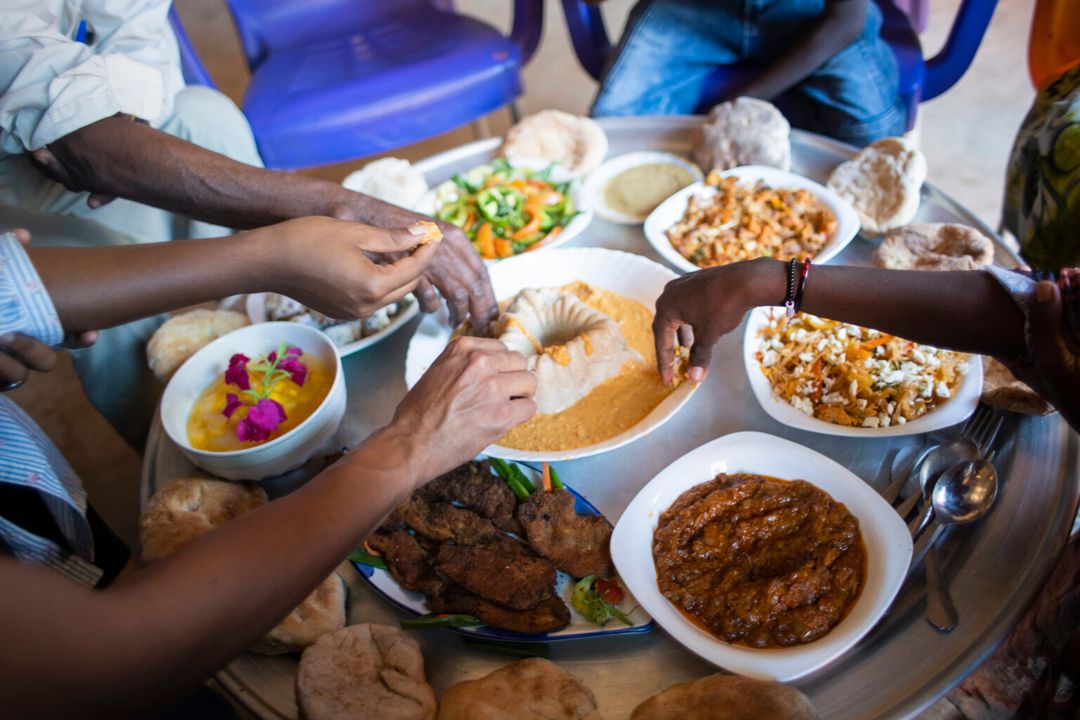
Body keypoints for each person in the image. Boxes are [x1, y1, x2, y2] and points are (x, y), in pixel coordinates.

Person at [0, 223, 537, 717]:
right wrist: (409, 444)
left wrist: (277, 252)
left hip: (55, 527)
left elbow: (18, 286)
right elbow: (114, 660)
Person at [0, 0, 497, 437]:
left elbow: (136, 40)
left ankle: (243, 314)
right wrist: (333, 212)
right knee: (103, 293)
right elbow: (71, 128)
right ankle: (176, 439)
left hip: (82, 121)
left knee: (207, 114)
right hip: (15, 180)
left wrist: (124, 128)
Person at [588, 0, 906, 147]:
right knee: (612, 127)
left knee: (869, 132)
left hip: (809, 13)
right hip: (691, 11)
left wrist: (742, 101)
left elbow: (845, 21)